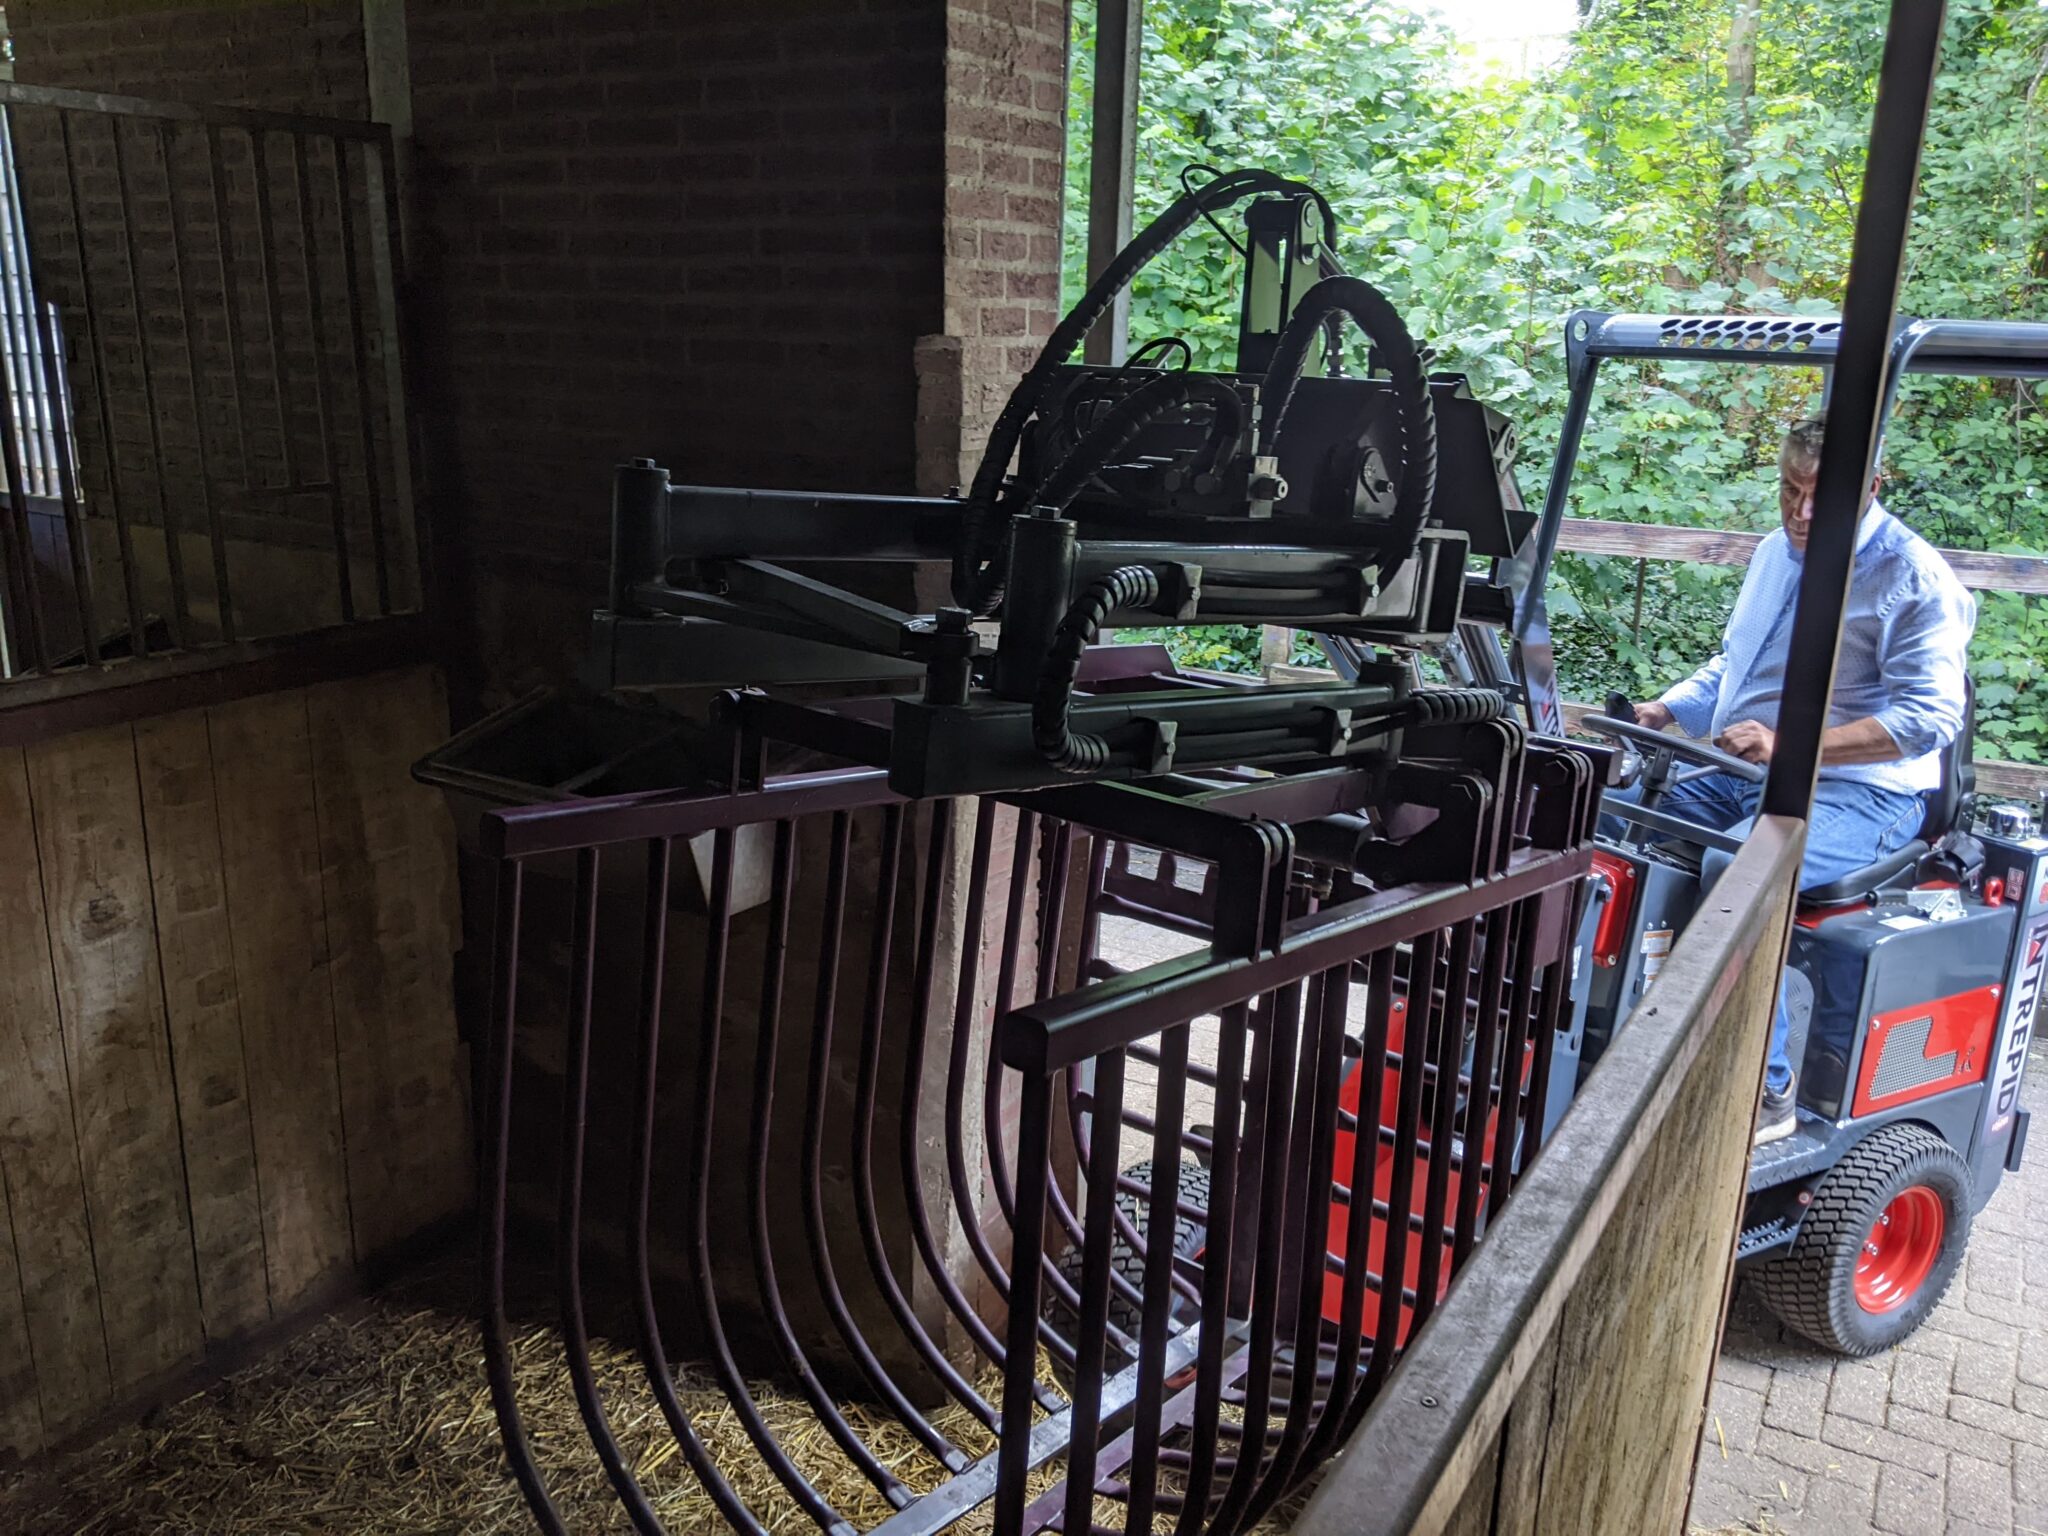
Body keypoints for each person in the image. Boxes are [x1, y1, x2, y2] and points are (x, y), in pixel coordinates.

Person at [1605, 419, 1976, 1145]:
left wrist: (1793, 747)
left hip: (1867, 794)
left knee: (1736, 866)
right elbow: (1736, 669)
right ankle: (1609, 1018)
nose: (1802, 513)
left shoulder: (1913, 577)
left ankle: (1766, 1089)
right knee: (1611, 816)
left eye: (1822, 497)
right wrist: (1669, 708)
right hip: (1747, 769)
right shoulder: (1777, 552)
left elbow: (1929, 718)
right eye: (1790, 490)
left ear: (1871, 489)